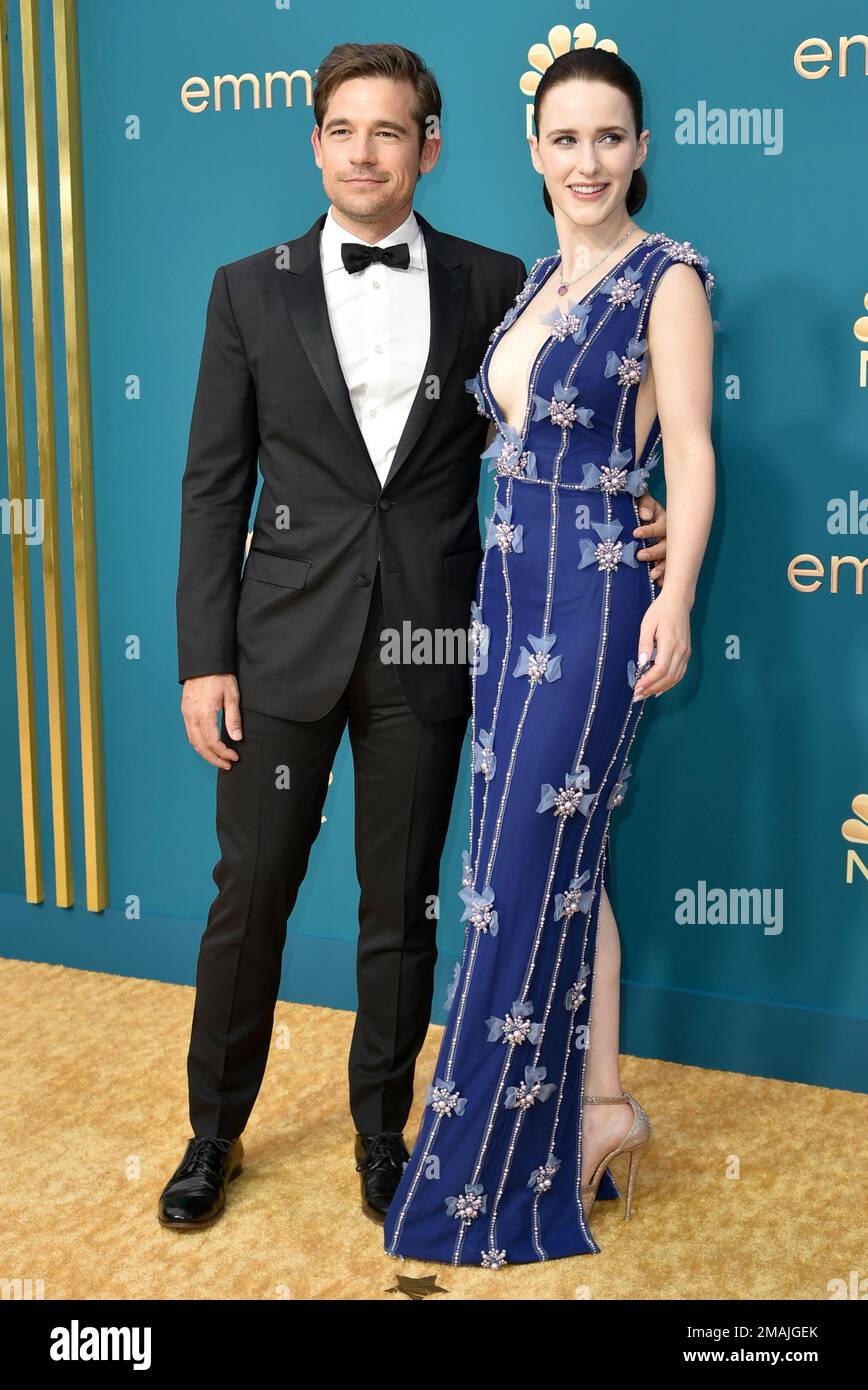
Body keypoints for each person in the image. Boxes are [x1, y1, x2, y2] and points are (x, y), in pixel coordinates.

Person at [158, 42, 670, 1232]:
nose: (364, 152)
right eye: (343, 130)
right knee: (252, 899)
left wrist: (636, 507)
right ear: (316, 143)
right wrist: (202, 655)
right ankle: (210, 1135)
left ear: (429, 146)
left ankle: (385, 1138)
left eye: (390, 131)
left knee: (402, 906)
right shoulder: (249, 285)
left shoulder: (504, 281)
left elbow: (580, 408)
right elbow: (209, 484)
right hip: (279, 641)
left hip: (435, 642)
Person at [383, 45, 717, 1267]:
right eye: (564, 139)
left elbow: (688, 448)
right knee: (554, 860)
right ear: (533, 152)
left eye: (609, 138)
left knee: (519, 865)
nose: (587, 161)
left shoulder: (664, 279)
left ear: (640, 149)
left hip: (594, 599)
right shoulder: (531, 285)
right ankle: (600, 1107)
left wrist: (673, 591)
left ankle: (487, 1167)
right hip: (506, 597)